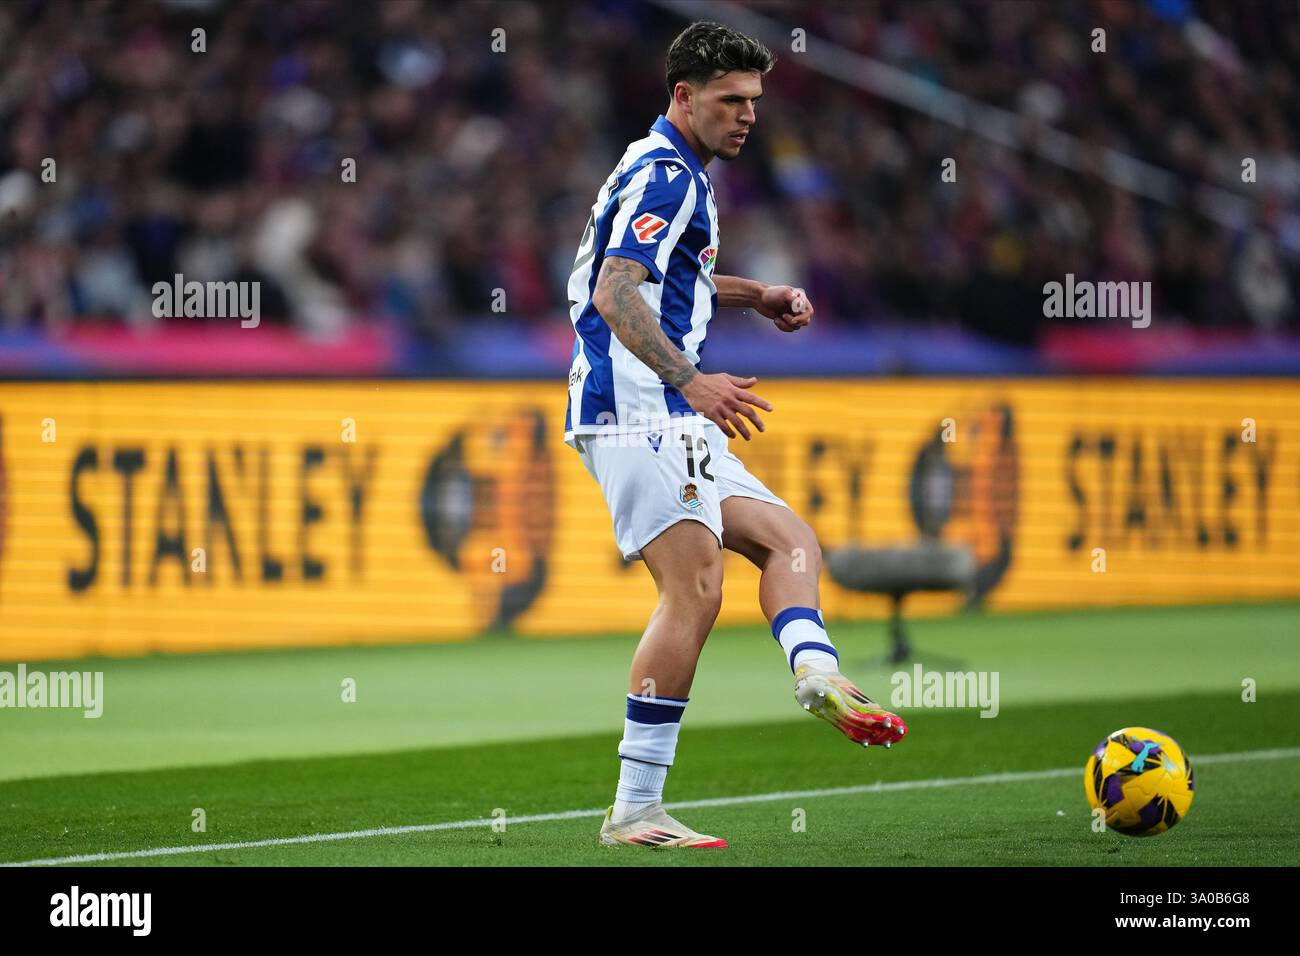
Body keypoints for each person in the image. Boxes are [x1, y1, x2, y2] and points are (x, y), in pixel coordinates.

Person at [564, 20, 907, 850]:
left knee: (789, 540)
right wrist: (691, 379)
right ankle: (635, 809)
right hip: (636, 407)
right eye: (730, 100)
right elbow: (615, 292)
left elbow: (672, 272)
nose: (748, 115)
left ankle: (819, 676)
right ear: (685, 95)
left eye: (753, 100)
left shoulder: (671, 170)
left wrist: (756, 297)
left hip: (665, 409)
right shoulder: (669, 176)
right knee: (696, 589)